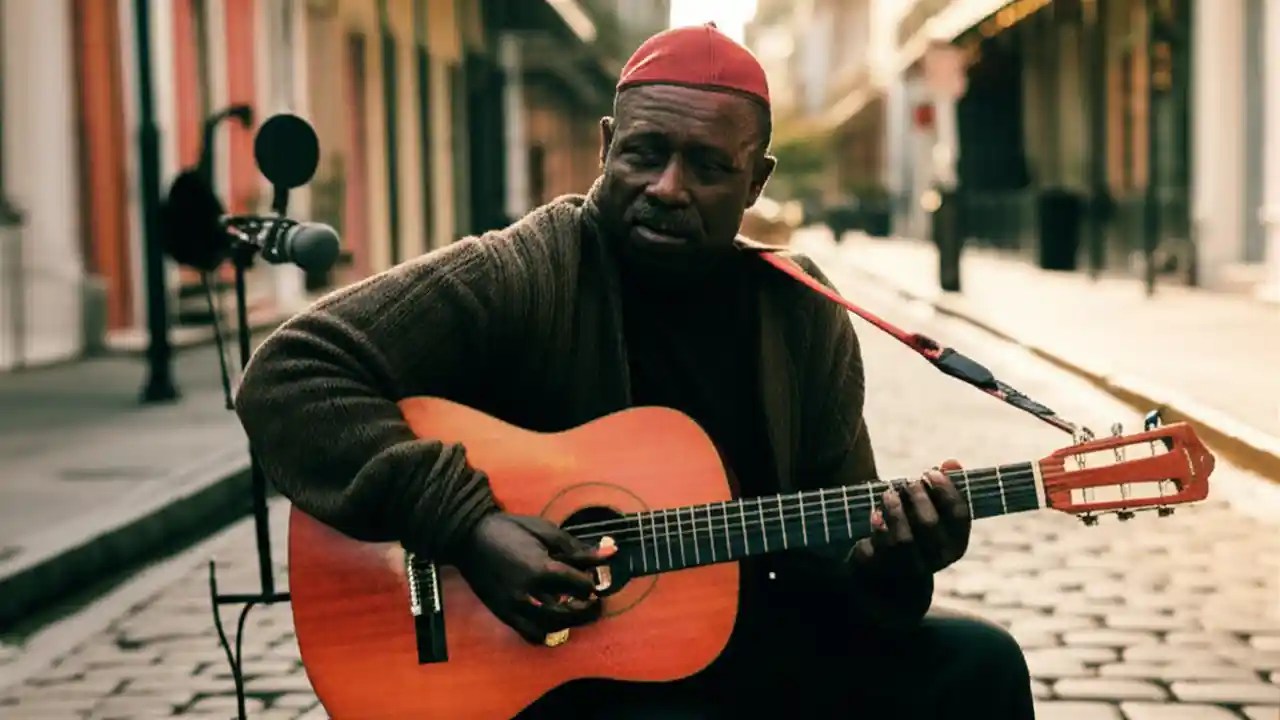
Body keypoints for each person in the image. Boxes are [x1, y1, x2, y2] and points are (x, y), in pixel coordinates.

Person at [234, 23, 1034, 720]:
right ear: (608, 143)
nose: (667, 188)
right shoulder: (526, 271)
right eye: (645, 154)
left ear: (756, 181)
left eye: (708, 167)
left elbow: (834, 562)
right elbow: (291, 371)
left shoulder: (800, 312)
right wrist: (469, 526)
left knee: (981, 668)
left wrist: (889, 565)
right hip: (565, 670)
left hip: (769, 647)